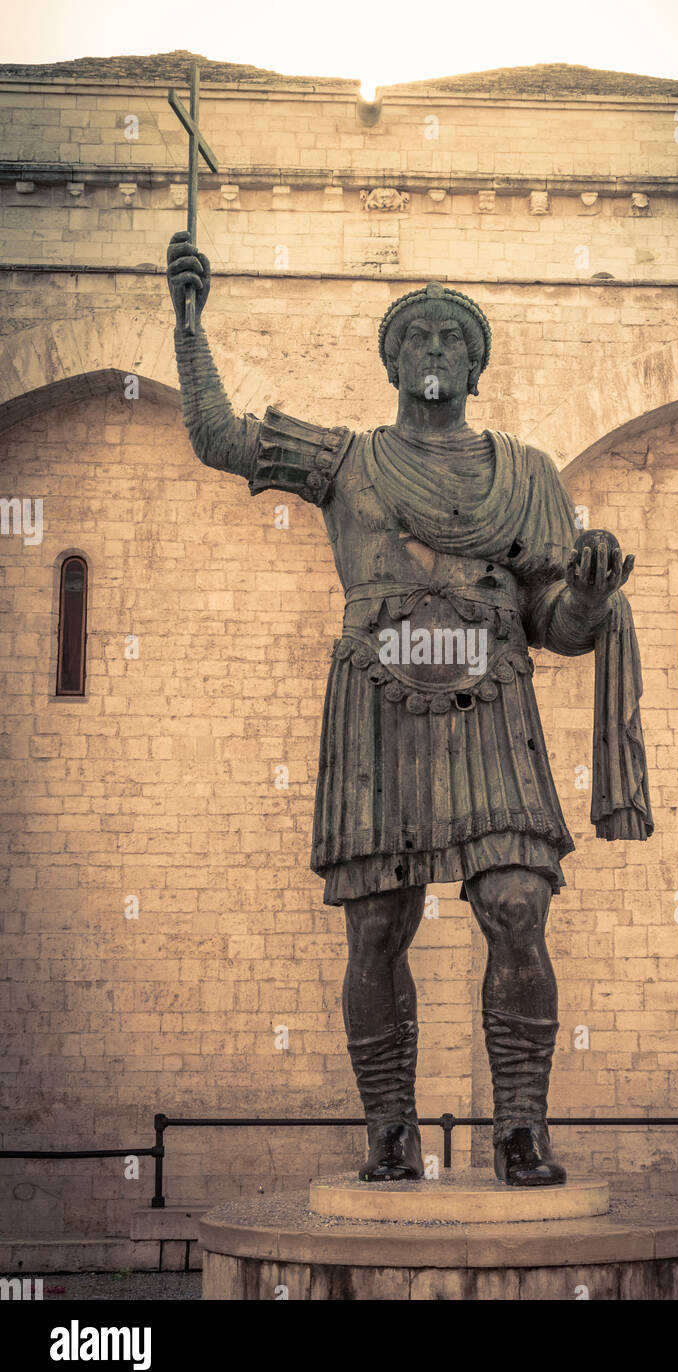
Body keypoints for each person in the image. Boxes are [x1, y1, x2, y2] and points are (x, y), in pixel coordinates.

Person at [166, 232, 653, 1186]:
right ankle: (389, 1127)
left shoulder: (525, 474)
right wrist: (189, 327)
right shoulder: (347, 460)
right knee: (378, 924)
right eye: (417, 338)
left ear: (475, 363)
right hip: (379, 702)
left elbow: (555, 622)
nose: (435, 352)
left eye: (452, 340)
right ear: (391, 361)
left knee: (517, 906)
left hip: (490, 698)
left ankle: (521, 1126)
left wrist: (590, 598)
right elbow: (222, 438)